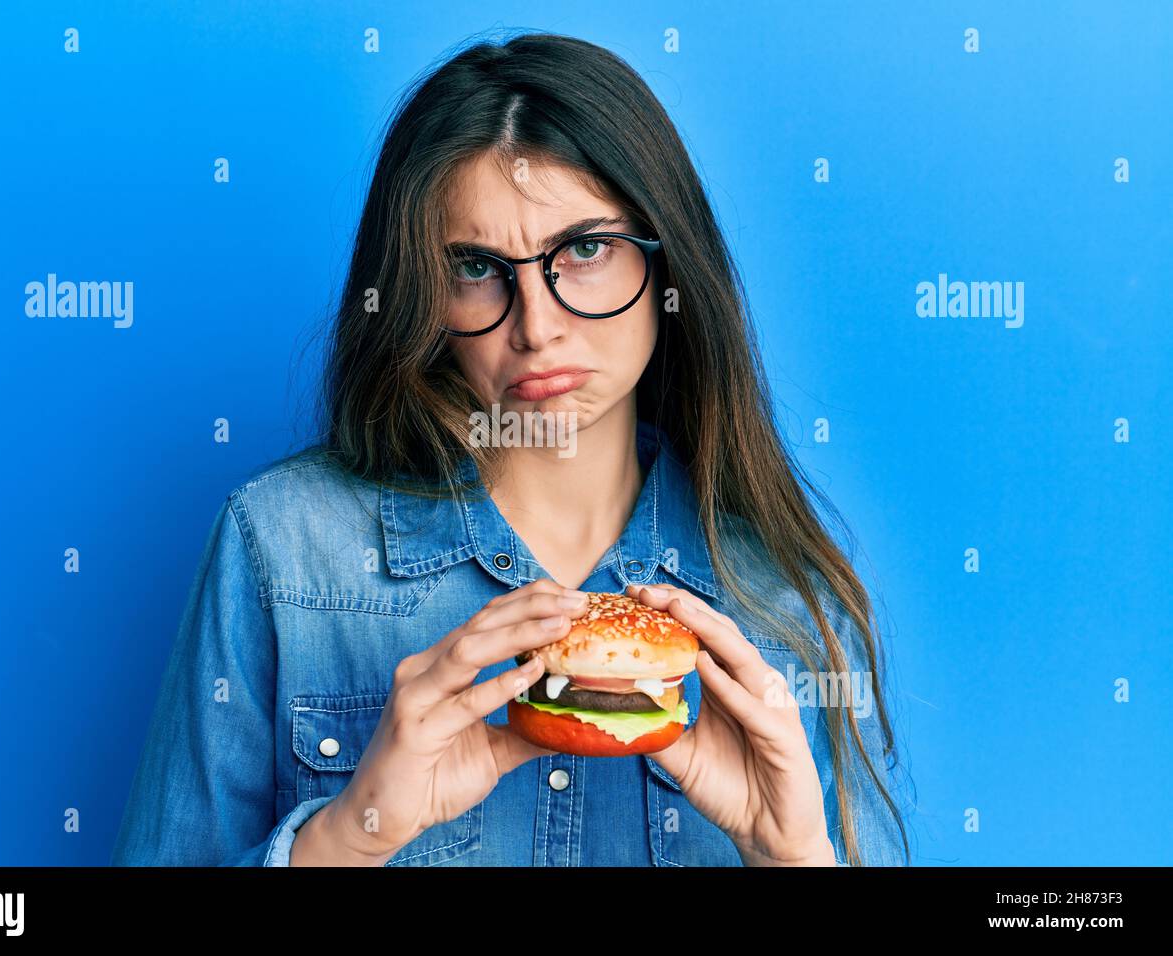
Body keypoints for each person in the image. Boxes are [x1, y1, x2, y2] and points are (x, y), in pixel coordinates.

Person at [112, 31, 912, 867]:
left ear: (669, 261)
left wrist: (791, 858)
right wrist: (348, 837)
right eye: (476, 267)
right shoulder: (282, 546)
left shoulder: (784, 601)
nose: (536, 326)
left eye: (586, 250)